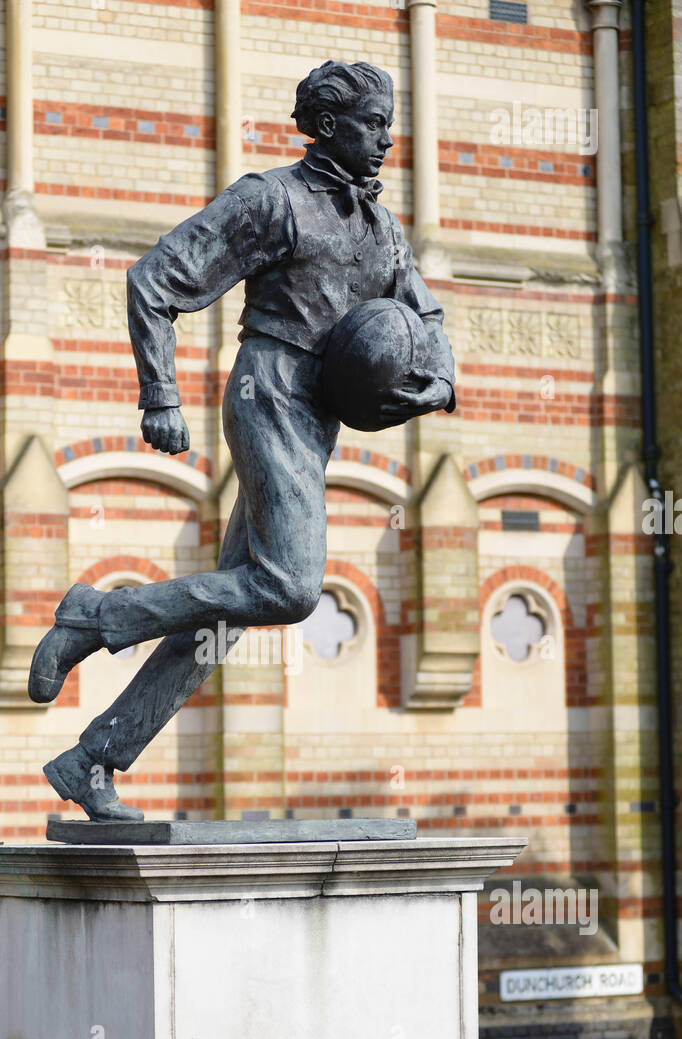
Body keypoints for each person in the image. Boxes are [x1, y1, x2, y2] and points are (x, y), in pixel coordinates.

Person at [29, 59, 456, 821]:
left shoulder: (381, 227)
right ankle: (93, 617)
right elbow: (154, 280)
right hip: (269, 393)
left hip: (316, 416)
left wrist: (437, 381)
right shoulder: (273, 200)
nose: (389, 140)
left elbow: (422, 317)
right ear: (327, 127)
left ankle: (93, 759)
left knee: (224, 614)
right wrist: (160, 393)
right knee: (290, 587)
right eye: (374, 124)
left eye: (391, 124)